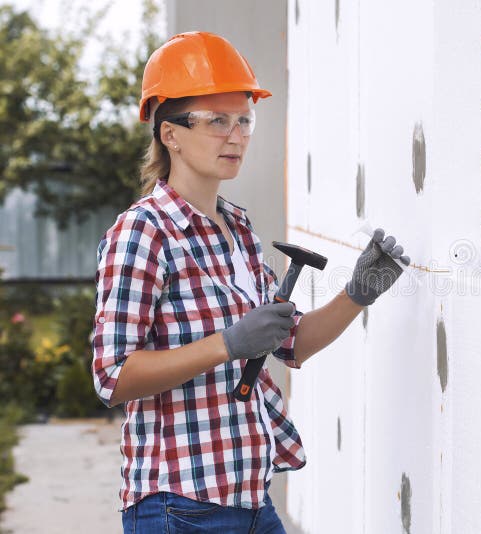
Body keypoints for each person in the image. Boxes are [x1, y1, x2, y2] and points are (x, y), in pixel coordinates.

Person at [91, 31, 410, 533]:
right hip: (179, 505)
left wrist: (356, 294)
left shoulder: (236, 228)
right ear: (169, 132)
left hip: (251, 500)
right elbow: (112, 377)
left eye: (244, 120)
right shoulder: (143, 232)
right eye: (217, 120)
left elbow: (290, 344)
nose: (236, 135)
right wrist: (229, 343)